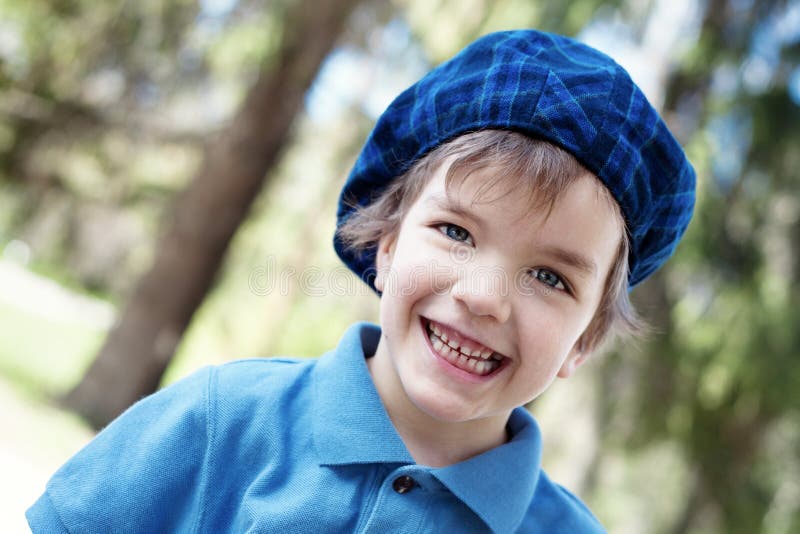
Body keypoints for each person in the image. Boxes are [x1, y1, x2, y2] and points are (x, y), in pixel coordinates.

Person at [27, 29, 695, 533]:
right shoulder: (222, 421)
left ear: (583, 342)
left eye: (550, 276)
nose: (483, 296)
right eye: (456, 233)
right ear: (386, 243)